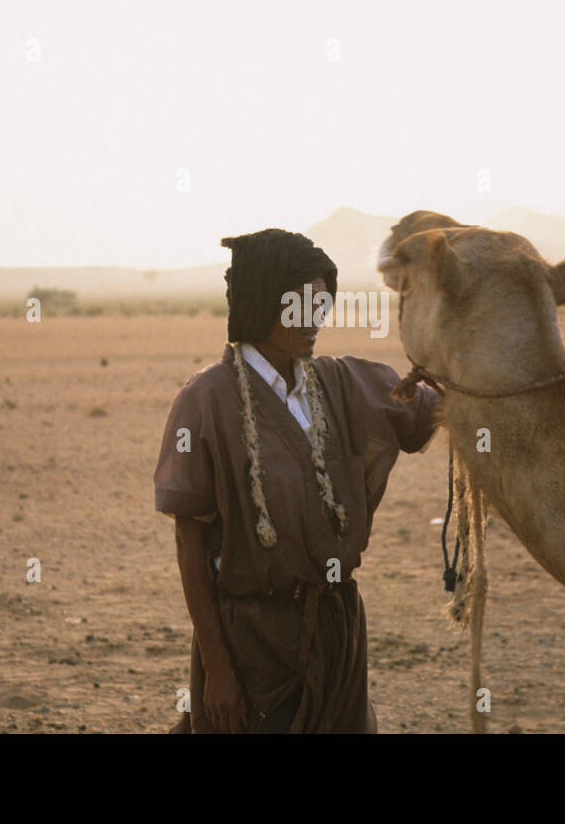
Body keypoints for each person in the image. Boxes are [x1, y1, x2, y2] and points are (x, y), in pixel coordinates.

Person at [154, 229, 439, 733]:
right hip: (253, 642)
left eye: (320, 304)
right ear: (263, 300)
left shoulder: (339, 383)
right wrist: (218, 670)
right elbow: (189, 539)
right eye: (299, 304)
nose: (314, 319)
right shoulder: (207, 401)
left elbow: (427, 408)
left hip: (337, 629)